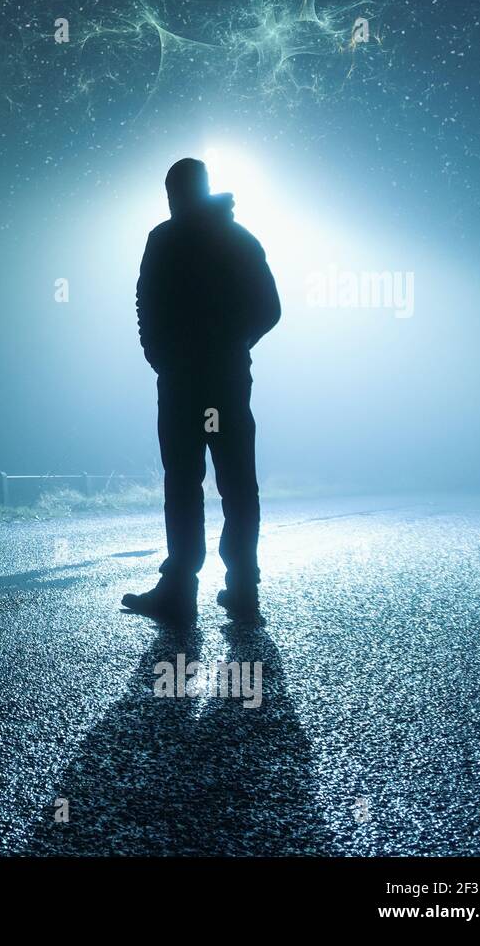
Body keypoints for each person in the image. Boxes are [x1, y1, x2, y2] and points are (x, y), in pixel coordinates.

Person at [122, 158, 281, 622]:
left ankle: (179, 590)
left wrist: (160, 354)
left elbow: (145, 301)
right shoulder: (238, 238)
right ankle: (243, 591)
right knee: (236, 482)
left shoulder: (163, 238)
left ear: (176, 193)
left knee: (183, 482)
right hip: (225, 381)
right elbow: (270, 309)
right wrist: (234, 346)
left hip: (180, 383)